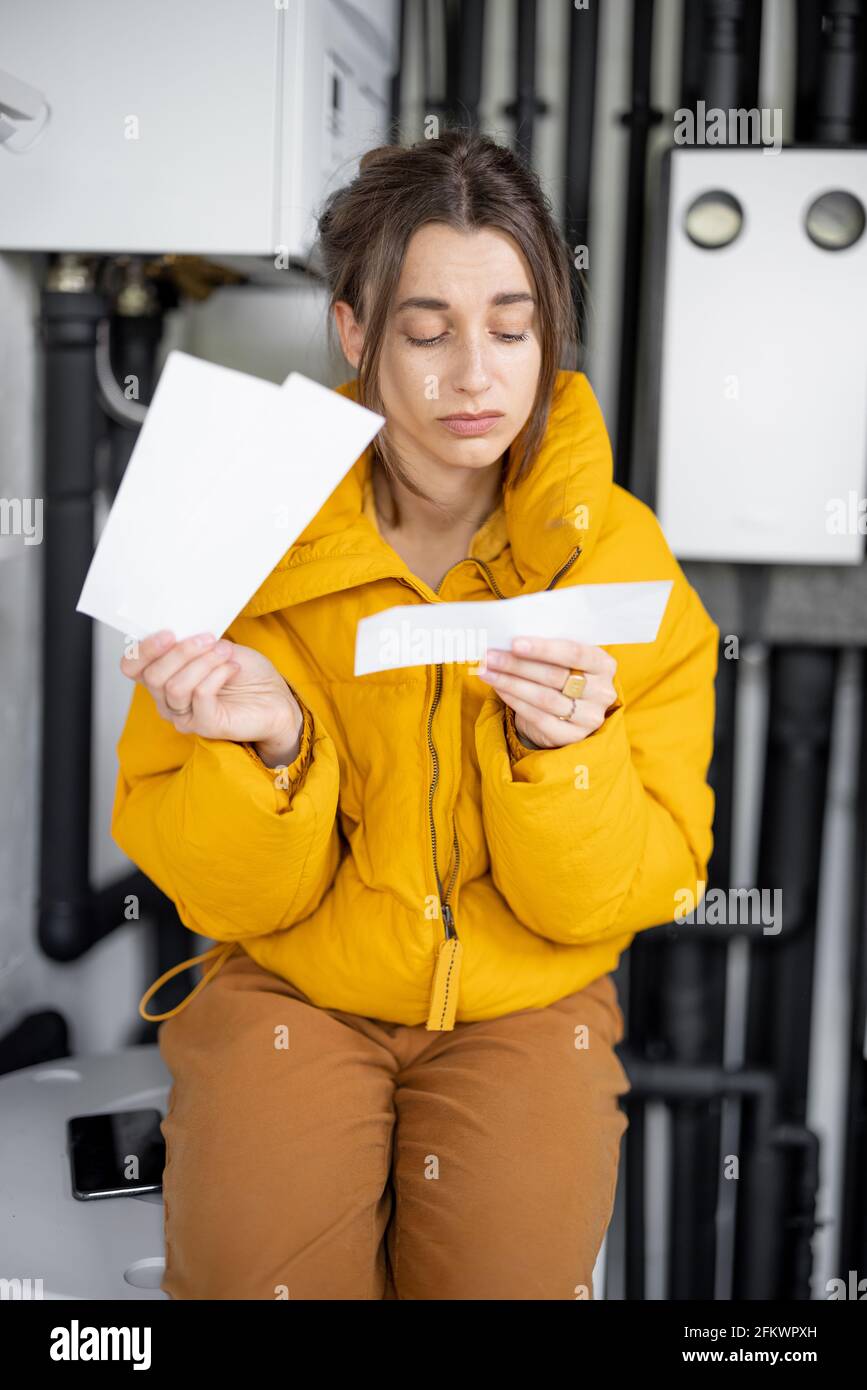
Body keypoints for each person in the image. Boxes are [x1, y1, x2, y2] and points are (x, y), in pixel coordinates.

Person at [112, 129, 719, 1300]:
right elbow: (219, 896)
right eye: (428, 332)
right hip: (291, 988)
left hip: (525, 1002)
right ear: (353, 331)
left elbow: (634, 888)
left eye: (511, 327)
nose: (476, 378)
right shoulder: (240, 537)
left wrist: (572, 757)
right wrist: (270, 750)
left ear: (549, 331)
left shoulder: (623, 560)